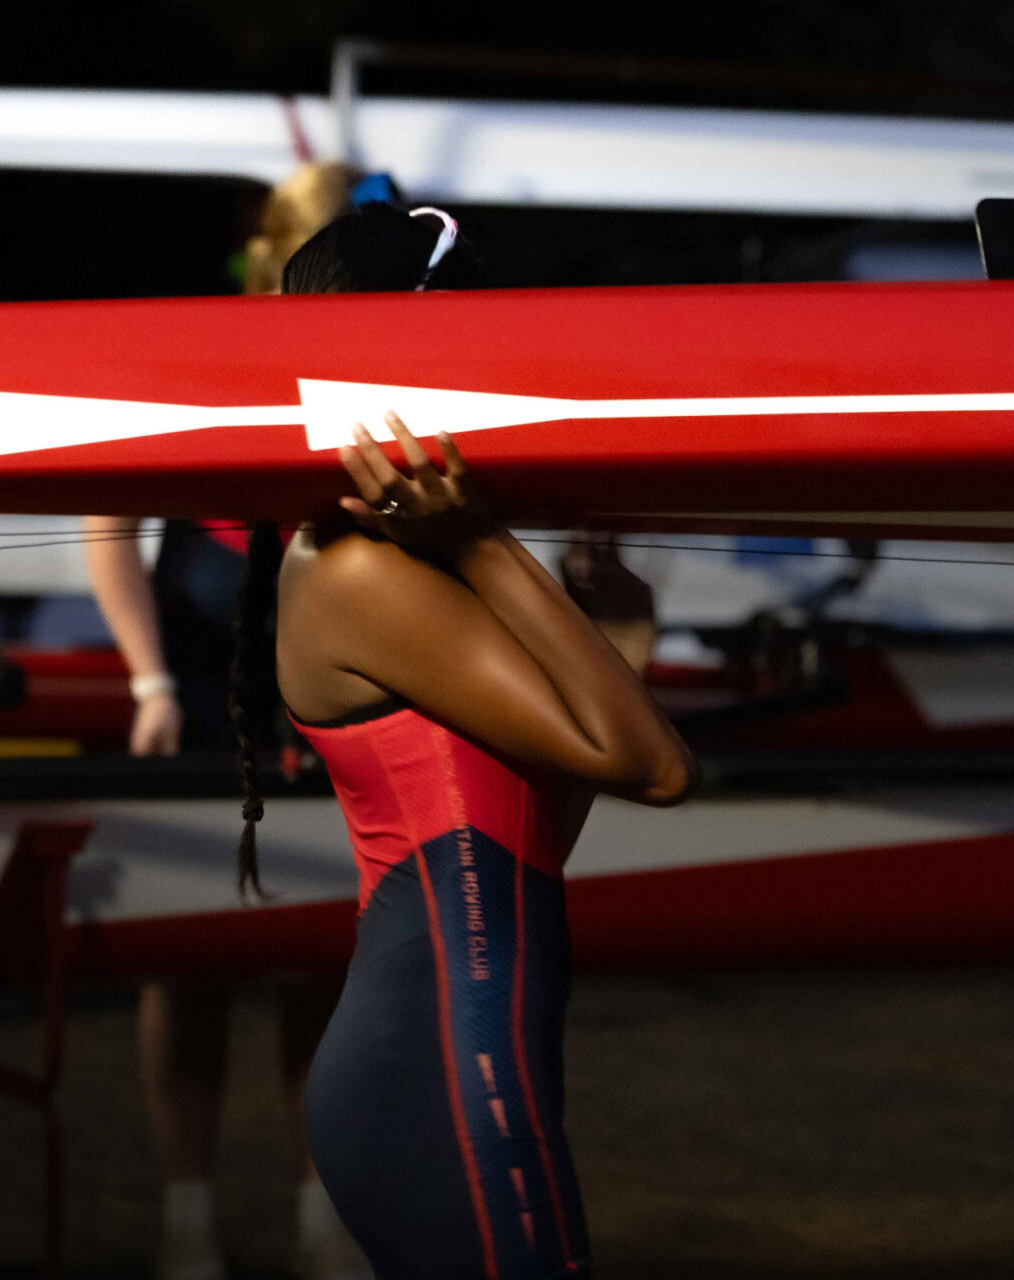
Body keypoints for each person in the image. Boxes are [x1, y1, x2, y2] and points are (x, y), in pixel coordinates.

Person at [244, 203, 697, 1279]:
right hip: (439, 1066)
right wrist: (486, 540)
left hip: (455, 1053)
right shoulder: (355, 573)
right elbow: (660, 770)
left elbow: (538, 814)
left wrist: (612, 639)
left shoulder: (386, 564)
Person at [83, 161, 371, 1280]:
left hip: (312, 669)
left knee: (315, 958)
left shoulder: (373, 349)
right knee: (183, 958)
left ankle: (318, 1211)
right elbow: (103, 510)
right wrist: (147, 679)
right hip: (203, 662)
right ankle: (188, 1219)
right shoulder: (204, 346)